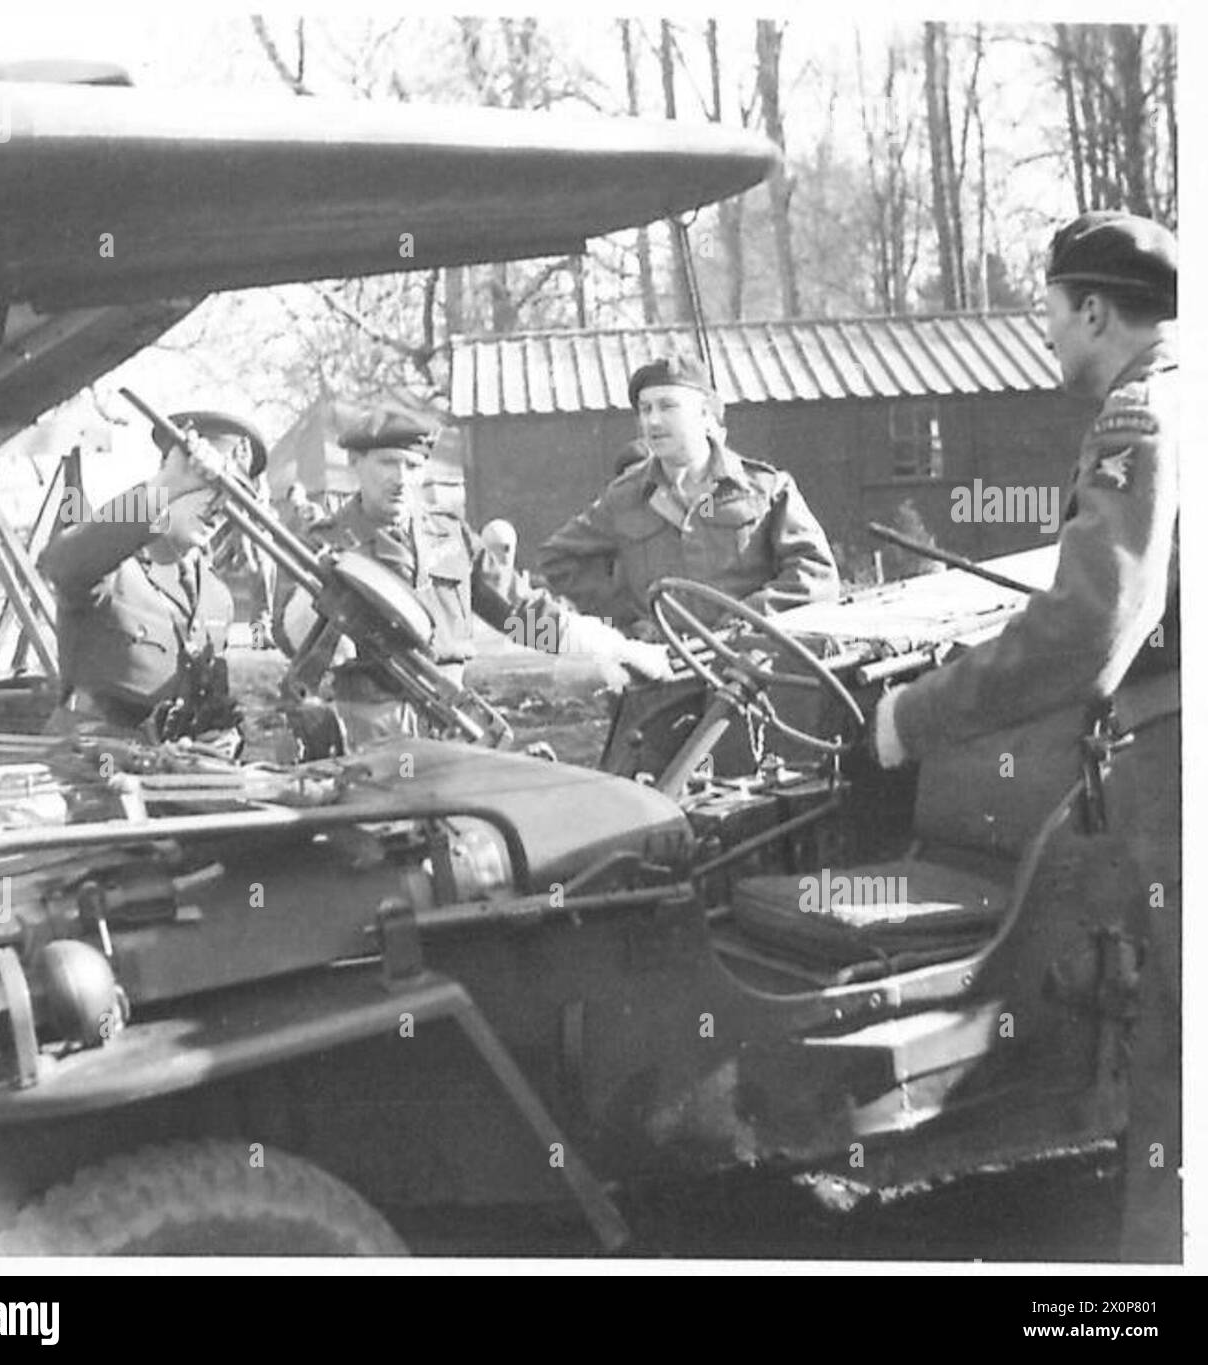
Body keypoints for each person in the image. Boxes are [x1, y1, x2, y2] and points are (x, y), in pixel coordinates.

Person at [871, 211, 1178, 1262]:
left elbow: (1093, 623)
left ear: (1093, 309)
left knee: (1175, 1083)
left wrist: (916, 717)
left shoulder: (1142, 412)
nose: (1045, 335)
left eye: (1050, 314)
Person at [272, 409, 672, 746]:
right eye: (387, 463)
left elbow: (519, 615)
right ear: (355, 464)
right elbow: (290, 641)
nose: (400, 478)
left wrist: (618, 649)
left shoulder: (452, 537)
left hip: (452, 713)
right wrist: (326, 598)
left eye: (411, 466)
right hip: (371, 720)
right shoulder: (322, 545)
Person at [535, 355, 839, 636]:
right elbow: (559, 559)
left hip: (752, 663)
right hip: (663, 673)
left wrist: (748, 617)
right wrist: (630, 618)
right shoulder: (626, 497)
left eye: (667, 406)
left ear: (704, 413)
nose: (653, 421)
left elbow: (816, 574)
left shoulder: (764, 489)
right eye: (645, 409)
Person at [38, 411, 268, 755]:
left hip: (174, 777)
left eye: (233, 498)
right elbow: (61, 564)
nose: (219, 509)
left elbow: (211, 707)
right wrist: (165, 486)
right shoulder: (111, 563)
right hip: (91, 772)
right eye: (209, 488)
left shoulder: (216, 597)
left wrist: (223, 738)